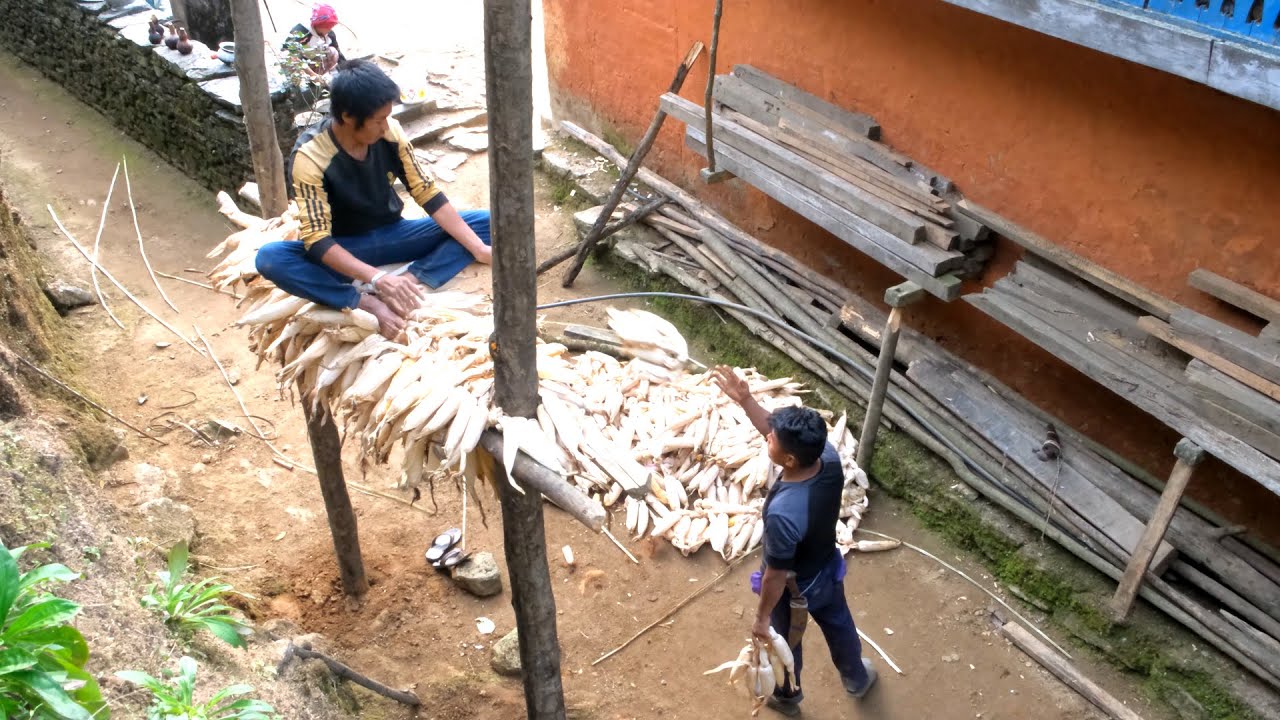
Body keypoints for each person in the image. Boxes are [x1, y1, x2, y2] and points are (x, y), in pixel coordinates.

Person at [255, 60, 491, 339]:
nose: (385, 126)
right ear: (348, 116)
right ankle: (365, 301)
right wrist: (377, 278)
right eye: (378, 120)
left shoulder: (390, 133)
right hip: (345, 247)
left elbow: (426, 192)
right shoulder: (310, 156)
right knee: (271, 258)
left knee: (485, 223)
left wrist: (479, 249)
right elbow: (317, 240)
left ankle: (411, 279)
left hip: (395, 234)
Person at [712, 365, 878, 716]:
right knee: (839, 623)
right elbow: (776, 433)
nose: (766, 438)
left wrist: (761, 618)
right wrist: (746, 400)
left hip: (795, 588)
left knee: (785, 641)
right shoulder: (826, 456)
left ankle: (787, 697)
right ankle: (857, 678)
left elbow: (774, 576)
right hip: (827, 567)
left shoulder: (784, 514)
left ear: (788, 459)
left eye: (771, 439)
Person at [286, 3, 345, 83]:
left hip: (313, 61)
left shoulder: (329, 34)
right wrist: (313, 75)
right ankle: (298, 82)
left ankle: (316, 79)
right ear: (319, 24)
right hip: (300, 65)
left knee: (334, 52)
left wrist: (349, 72)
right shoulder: (301, 31)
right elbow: (288, 55)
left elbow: (340, 58)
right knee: (290, 61)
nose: (330, 29)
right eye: (328, 27)